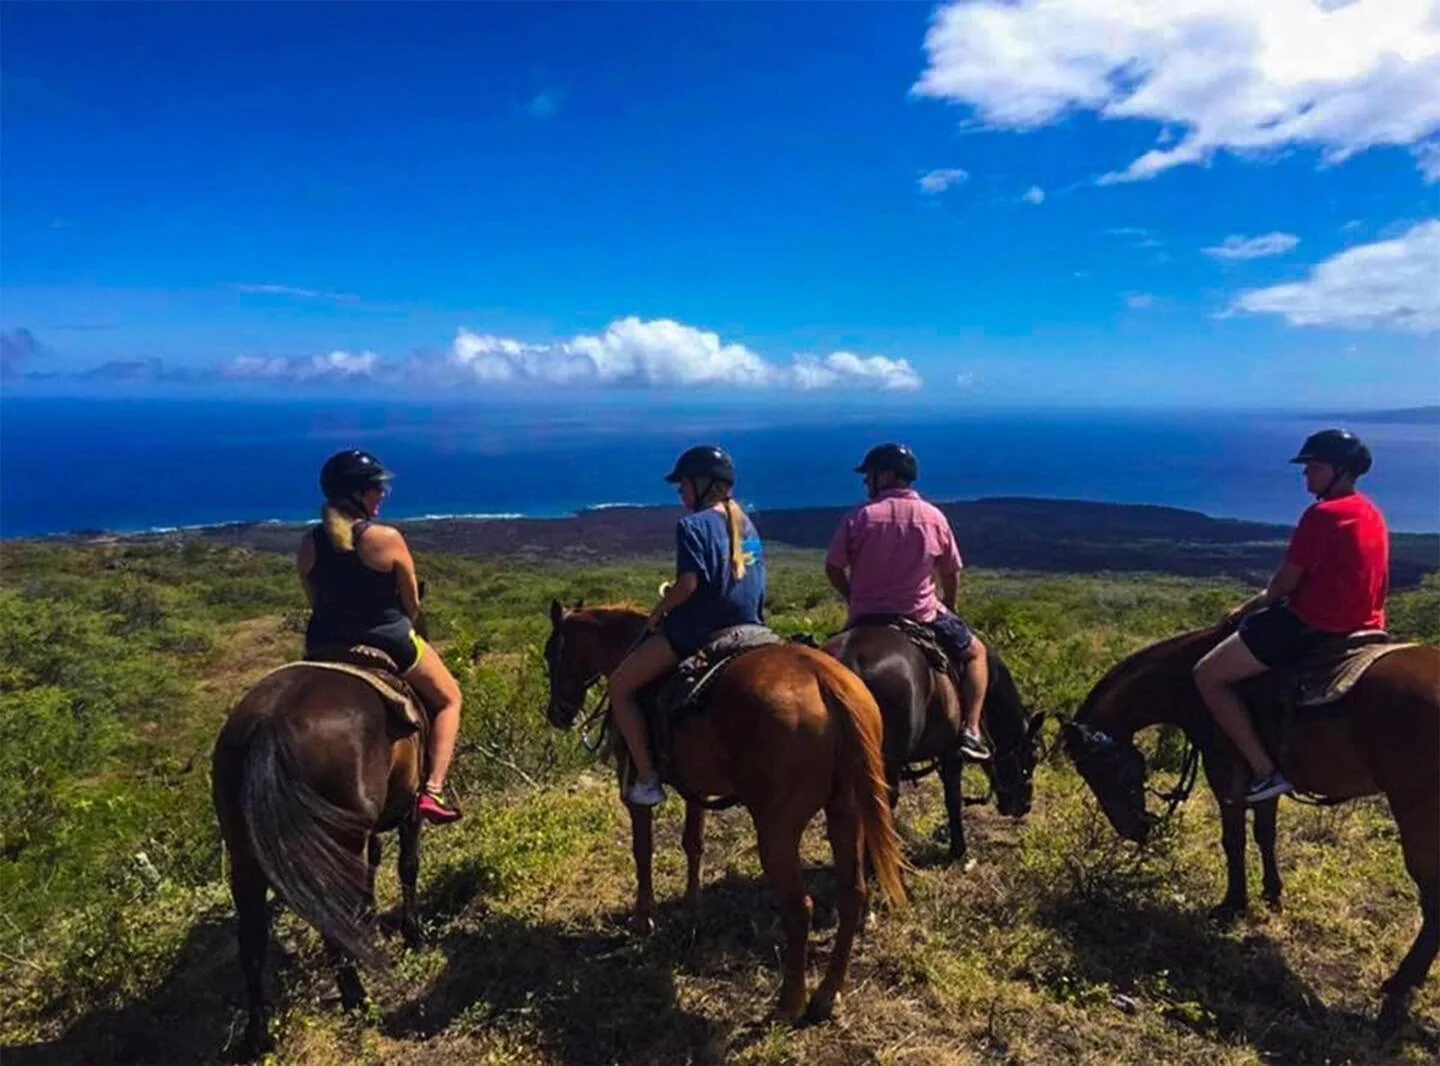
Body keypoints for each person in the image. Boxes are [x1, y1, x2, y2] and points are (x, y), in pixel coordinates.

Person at [1194, 429, 1389, 804]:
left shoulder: (1323, 514)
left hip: (1313, 625)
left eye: (1313, 467)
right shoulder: (1371, 512)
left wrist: (1254, 605)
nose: (1306, 475)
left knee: (1208, 675)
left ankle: (1265, 772)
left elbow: (1285, 582)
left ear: (1339, 470)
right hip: (1367, 625)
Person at [296, 449, 464, 824]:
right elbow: (412, 602)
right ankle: (433, 790)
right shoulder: (385, 539)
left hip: (324, 642)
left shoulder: (310, 542)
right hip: (388, 639)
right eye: (376, 488)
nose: (382, 495)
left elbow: (315, 600)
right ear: (356, 493)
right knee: (451, 698)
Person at [607, 445, 767, 807]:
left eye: (683, 484)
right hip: (752, 626)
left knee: (620, 686)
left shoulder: (691, 525)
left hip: (701, 631)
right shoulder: (747, 521)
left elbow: (688, 585)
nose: (680, 491)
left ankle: (647, 778)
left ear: (704, 484)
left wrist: (658, 612)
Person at [826, 443, 991, 761]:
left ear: (886, 475)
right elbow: (951, 571)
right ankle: (971, 730)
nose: (866, 482)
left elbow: (833, 567)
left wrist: (852, 596)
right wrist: (951, 605)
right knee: (975, 653)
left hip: (866, 616)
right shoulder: (933, 517)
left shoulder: (859, 517)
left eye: (870, 475)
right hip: (921, 614)